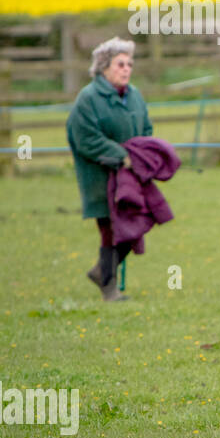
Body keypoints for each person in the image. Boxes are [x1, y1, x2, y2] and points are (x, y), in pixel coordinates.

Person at [66, 37, 152, 301]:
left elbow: (146, 129)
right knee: (111, 229)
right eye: (120, 64)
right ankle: (109, 288)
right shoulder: (88, 99)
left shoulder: (135, 96)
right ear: (104, 67)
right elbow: (86, 138)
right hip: (100, 176)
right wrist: (120, 155)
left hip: (131, 175)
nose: (126, 69)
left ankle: (102, 272)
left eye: (129, 64)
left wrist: (143, 154)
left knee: (139, 221)